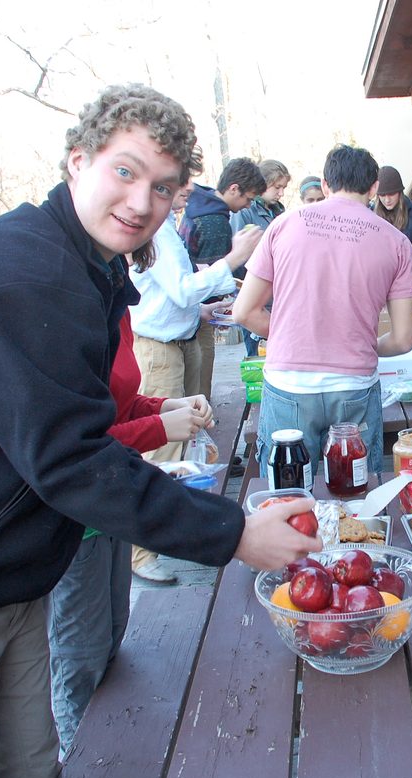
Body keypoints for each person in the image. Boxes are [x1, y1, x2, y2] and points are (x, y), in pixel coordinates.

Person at [0, 83, 320, 778]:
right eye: (125, 171)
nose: (143, 202)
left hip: (20, 580)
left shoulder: (91, 263)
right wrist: (233, 533)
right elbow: (72, 457)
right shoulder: (29, 269)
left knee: (31, 777)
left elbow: (83, 415)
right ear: (77, 160)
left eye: (164, 187)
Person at [47, 309, 213, 755]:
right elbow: (72, 444)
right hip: (72, 523)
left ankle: (111, 751)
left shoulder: (113, 304)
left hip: (112, 505)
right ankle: (79, 760)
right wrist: (157, 428)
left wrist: (165, 406)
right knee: (79, 658)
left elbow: (115, 406)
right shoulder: (58, 313)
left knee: (112, 636)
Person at [232, 144, 412, 480]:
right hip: (354, 384)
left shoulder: (283, 225)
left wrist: (296, 337)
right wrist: (358, 343)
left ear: (325, 183)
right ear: (374, 187)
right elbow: (404, 339)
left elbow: (244, 312)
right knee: (356, 493)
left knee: (287, 494)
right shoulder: (396, 242)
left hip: (289, 382)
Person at [129, 183, 262, 583]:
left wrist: (201, 311)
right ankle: (141, 552)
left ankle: (181, 530)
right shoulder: (155, 229)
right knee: (161, 448)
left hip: (181, 338)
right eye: (176, 184)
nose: (187, 191)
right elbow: (181, 288)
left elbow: (170, 291)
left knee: (188, 440)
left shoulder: (169, 225)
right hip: (159, 348)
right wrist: (234, 259)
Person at [179, 157, 265, 395]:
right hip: (200, 312)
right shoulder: (215, 221)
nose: (248, 206)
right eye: (248, 199)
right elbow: (214, 273)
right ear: (234, 188)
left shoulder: (202, 205)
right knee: (200, 387)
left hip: (196, 310)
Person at [229, 159, 291, 357]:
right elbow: (237, 255)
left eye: (284, 188)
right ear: (263, 183)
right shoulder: (245, 212)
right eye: (277, 187)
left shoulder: (279, 212)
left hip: (278, 295)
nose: (281, 193)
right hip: (255, 295)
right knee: (257, 357)